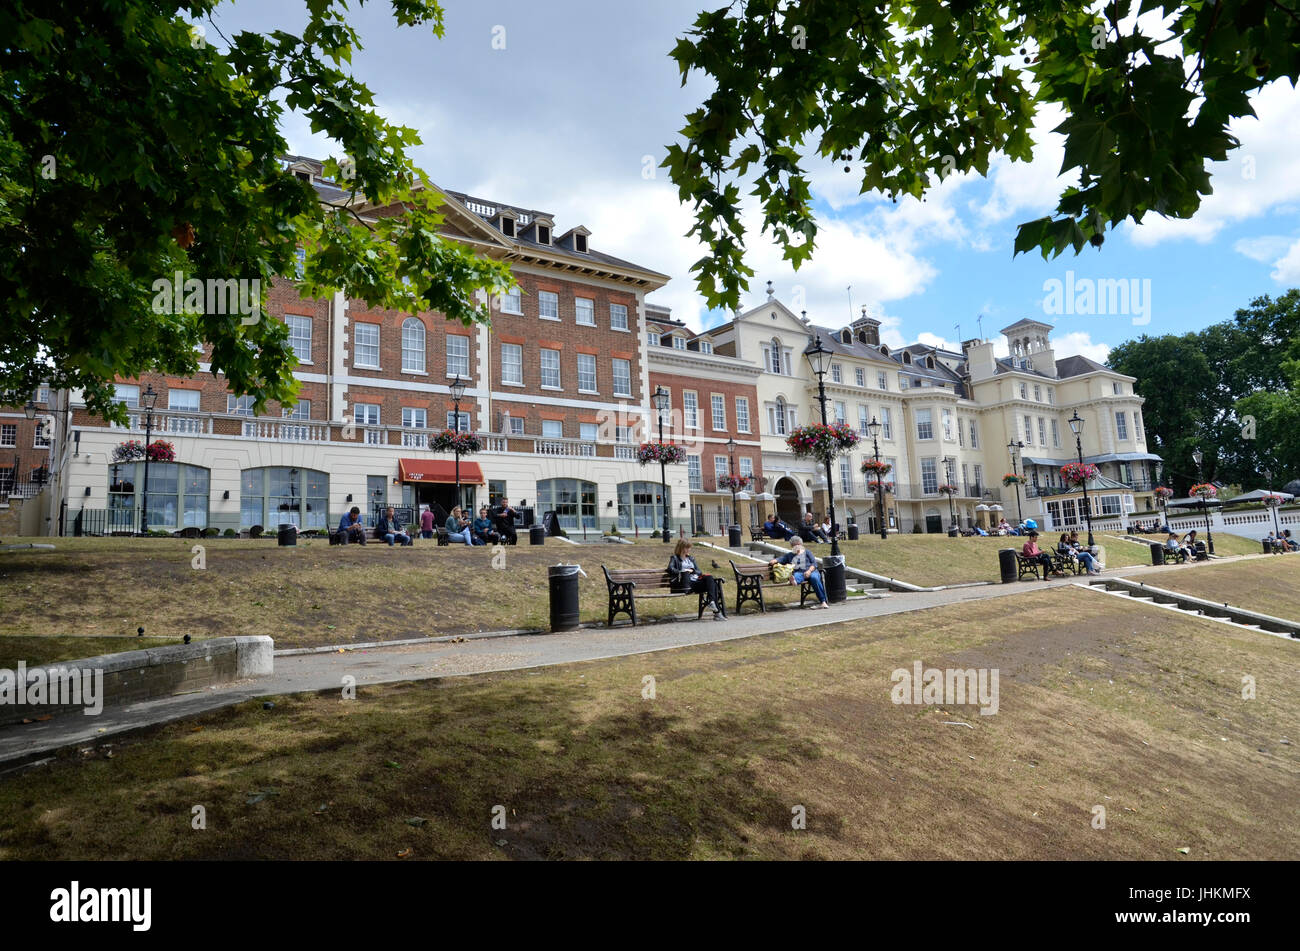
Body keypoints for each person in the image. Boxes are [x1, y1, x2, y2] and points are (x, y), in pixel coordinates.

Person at [668, 540, 726, 620]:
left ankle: (711, 602)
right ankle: (717, 614)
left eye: (689, 547)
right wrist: (683, 571)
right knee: (714, 585)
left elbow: (699, 571)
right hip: (686, 584)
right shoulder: (675, 558)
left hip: (695, 581)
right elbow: (670, 569)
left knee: (710, 578)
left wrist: (693, 570)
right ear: (681, 548)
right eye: (687, 547)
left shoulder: (691, 558)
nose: (689, 549)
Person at [768, 538, 829, 608]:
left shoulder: (807, 552)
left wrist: (809, 571)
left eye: (797, 545)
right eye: (793, 545)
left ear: (800, 544)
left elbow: (814, 564)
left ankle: (823, 602)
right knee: (797, 575)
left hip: (811, 571)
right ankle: (794, 581)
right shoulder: (790, 555)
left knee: (814, 578)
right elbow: (781, 559)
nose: (795, 547)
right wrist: (774, 560)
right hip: (800, 573)